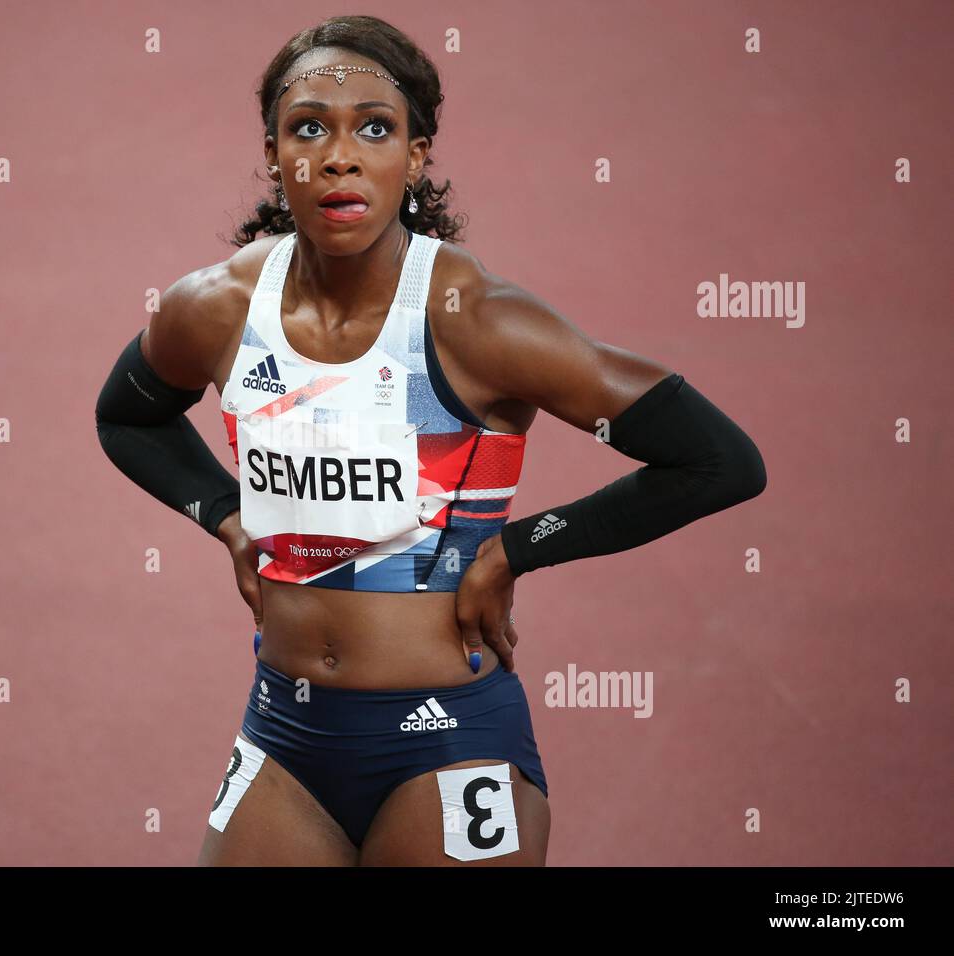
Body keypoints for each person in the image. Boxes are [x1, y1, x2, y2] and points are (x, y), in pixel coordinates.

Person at [95, 16, 766, 866]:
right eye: (310, 128)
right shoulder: (220, 307)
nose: (340, 156)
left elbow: (719, 461)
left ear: (414, 157)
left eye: (375, 128)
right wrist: (225, 515)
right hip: (284, 734)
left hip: (448, 741)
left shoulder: (475, 321)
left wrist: (518, 549)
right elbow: (128, 415)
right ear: (274, 154)